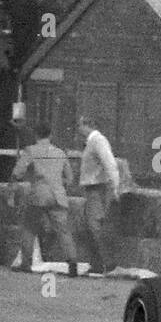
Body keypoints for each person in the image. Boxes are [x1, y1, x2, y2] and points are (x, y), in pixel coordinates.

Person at [11, 122, 80, 275]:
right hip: (58, 196)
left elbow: (17, 173)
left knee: (29, 228)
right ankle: (73, 264)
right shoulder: (60, 153)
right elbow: (70, 179)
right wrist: (57, 184)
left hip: (38, 196)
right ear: (50, 135)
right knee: (63, 231)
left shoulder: (31, 151)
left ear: (36, 135)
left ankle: (26, 263)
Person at [76, 116, 120, 275]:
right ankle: (97, 262)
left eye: (79, 125)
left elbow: (109, 162)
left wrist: (115, 185)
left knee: (94, 225)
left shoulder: (98, 141)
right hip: (93, 188)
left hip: (97, 188)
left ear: (87, 125)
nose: (78, 128)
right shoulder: (93, 142)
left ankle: (105, 262)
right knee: (91, 225)